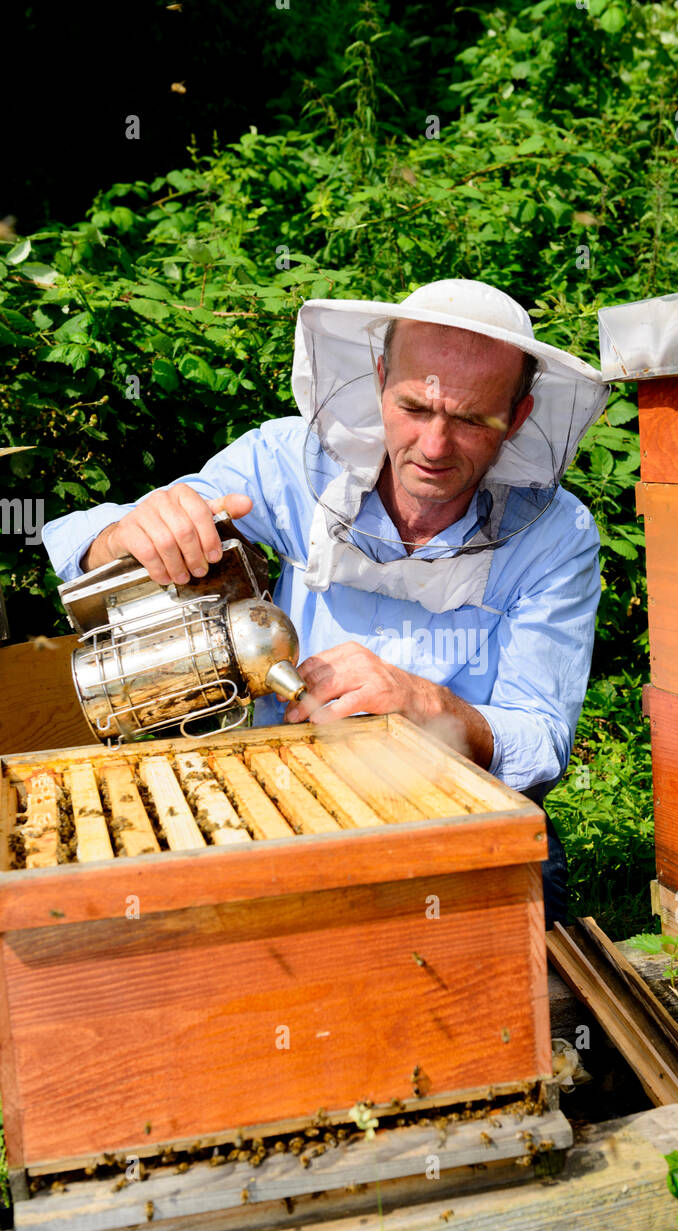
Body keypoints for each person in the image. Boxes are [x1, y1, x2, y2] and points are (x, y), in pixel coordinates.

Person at [42, 279, 608, 925]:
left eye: (472, 419)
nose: (433, 447)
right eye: (415, 408)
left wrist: (431, 707)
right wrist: (128, 534)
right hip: (281, 789)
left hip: (457, 806)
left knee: (528, 969)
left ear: (519, 415)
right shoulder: (288, 461)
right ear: (379, 379)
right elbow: (82, 538)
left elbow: (540, 734)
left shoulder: (556, 533)